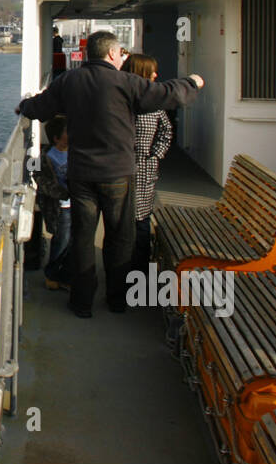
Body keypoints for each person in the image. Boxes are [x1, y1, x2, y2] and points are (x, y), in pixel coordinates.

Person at [15, 31, 203, 316]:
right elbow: (167, 94)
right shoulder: (127, 82)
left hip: (81, 174)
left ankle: (82, 303)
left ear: (90, 54)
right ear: (113, 54)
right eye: (121, 54)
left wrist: (23, 106)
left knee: (83, 237)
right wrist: (193, 82)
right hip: (117, 174)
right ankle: (117, 299)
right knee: (120, 236)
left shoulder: (69, 80)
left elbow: (40, 107)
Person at [121, 53, 174, 277]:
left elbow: (166, 131)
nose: (155, 75)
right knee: (125, 222)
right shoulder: (124, 101)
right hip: (123, 167)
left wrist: (155, 155)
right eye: (151, 71)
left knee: (140, 221)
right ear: (141, 73)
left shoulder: (154, 103)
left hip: (143, 168)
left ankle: (138, 272)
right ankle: (128, 273)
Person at [32, 115, 72, 290]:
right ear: (56, 138)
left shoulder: (76, 151)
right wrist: (63, 193)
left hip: (75, 204)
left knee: (71, 241)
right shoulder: (46, 156)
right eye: (67, 132)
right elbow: (36, 175)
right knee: (61, 240)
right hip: (61, 207)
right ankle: (52, 274)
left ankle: (64, 274)